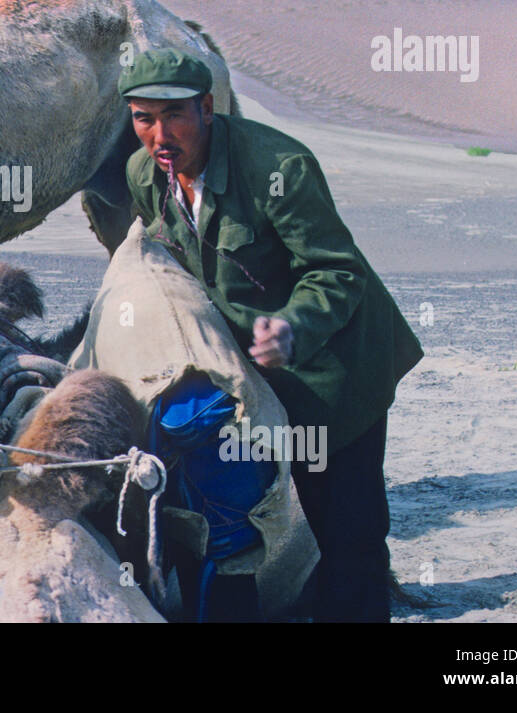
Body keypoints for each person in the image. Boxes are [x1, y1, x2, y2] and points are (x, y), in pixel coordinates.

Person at [119, 47, 423, 622]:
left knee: (347, 530)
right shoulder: (144, 174)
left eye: (175, 115)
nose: (159, 135)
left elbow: (337, 270)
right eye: (143, 117)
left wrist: (291, 326)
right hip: (250, 371)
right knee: (235, 512)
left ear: (207, 107)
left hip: (333, 367)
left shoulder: (280, 168)